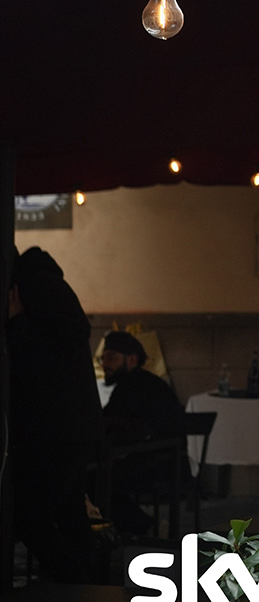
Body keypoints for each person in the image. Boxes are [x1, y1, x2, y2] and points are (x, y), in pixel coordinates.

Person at [6, 246, 105, 582]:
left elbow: (38, 361)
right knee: (68, 513)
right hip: (72, 425)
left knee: (31, 517)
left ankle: (74, 585)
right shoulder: (47, 286)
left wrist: (17, 325)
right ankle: (85, 591)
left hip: (53, 427)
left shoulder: (31, 289)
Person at [99, 330, 186, 534]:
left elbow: (109, 421)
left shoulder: (133, 386)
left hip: (159, 464)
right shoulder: (143, 382)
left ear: (131, 360)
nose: (105, 364)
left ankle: (138, 527)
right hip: (167, 460)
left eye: (112, 358)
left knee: (96, 479)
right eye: (103, 358)